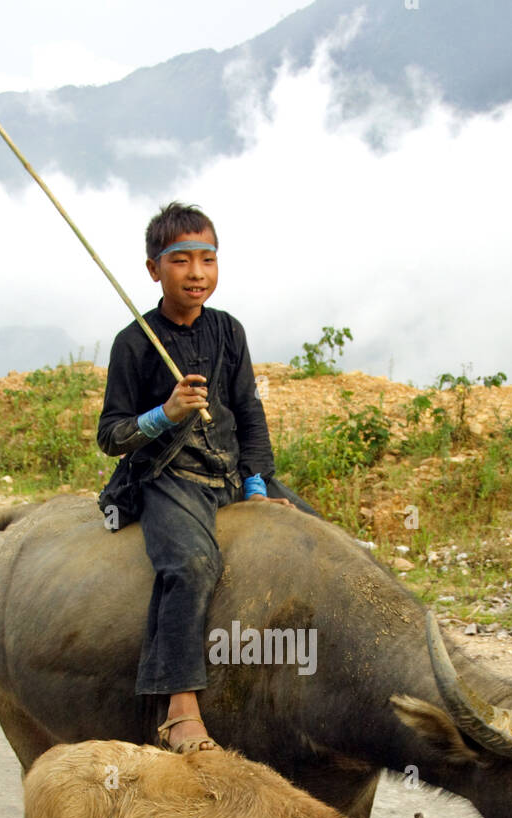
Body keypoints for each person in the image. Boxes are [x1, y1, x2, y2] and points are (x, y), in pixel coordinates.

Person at [97, 201, 312, 753]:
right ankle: (181, 705)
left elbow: (248, 412)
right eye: (181, 260)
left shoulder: (229, 331)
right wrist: (164, 414)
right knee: (190, 564)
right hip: (171, 479)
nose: (197, 273)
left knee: (318, 538)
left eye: (208, 259)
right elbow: (111, 435)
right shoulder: (134, 342)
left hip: (231, 473)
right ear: (153, 269)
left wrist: (259, 485)